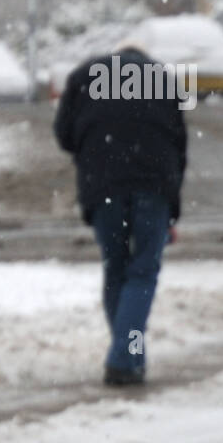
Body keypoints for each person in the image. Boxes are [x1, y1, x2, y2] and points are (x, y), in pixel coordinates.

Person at [53, 45, 187, 385]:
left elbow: (64, 135)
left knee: (116, 269)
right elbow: (178, 143)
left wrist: (96, 148)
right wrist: (172, 208)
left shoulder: (85, 76)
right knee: (141, 272)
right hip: (153, 187)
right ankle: (124, 361)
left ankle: (129, 357)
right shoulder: (161, 78)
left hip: (103, 187)